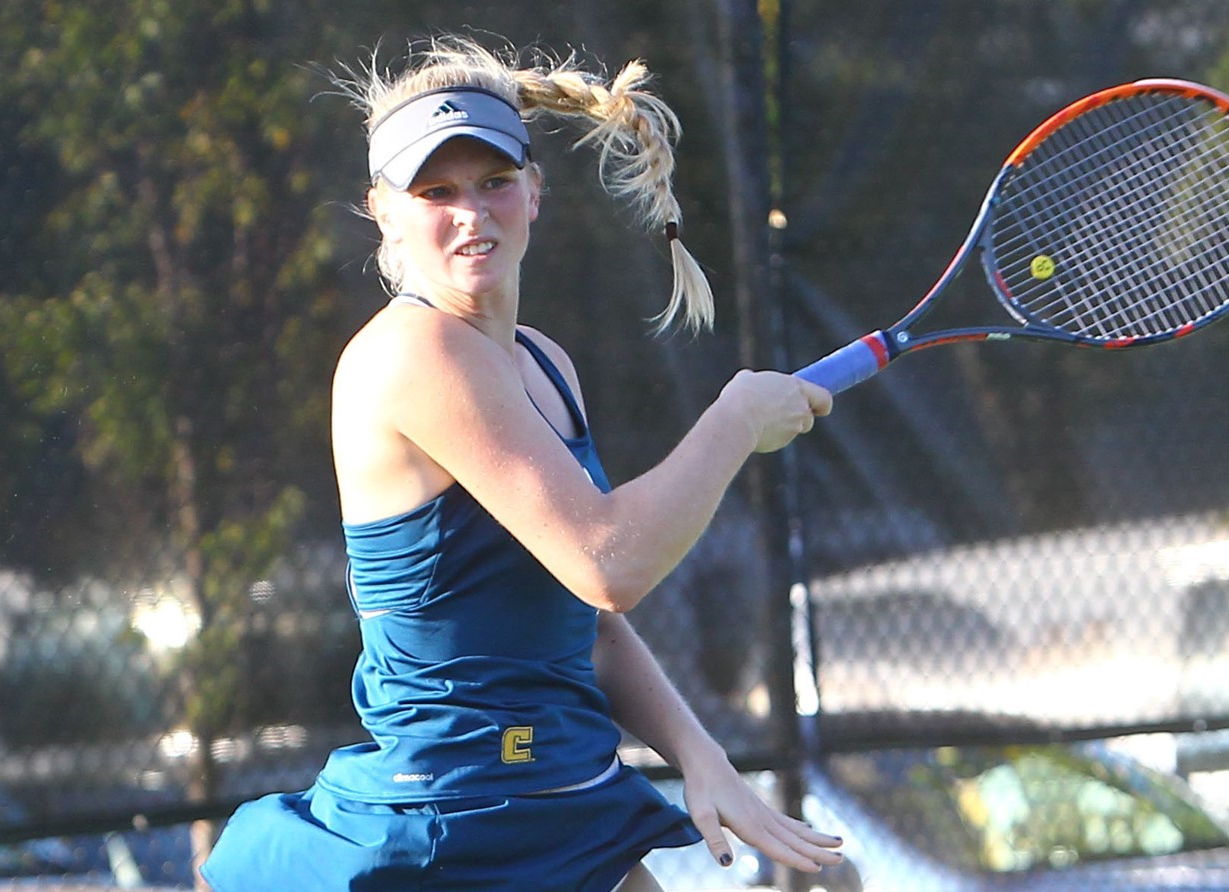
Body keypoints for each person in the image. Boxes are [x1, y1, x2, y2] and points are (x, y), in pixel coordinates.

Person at [200, 34, 838, 892]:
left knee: (843, 879)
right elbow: (609, 564)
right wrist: (733, 420)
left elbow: (588, 619)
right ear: (383, 209)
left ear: (536, 192)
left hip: (558, 795)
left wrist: (701, 755)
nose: (472, 212)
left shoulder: (542, 363)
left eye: (495, 181)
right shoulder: (413, 353)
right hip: (451, 826)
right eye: (436, 191)